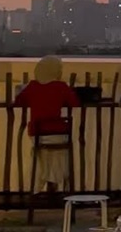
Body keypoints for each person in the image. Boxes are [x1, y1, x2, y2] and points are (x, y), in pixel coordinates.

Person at [14, 56, 79, 192]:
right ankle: (54, 184)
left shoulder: (32, 86)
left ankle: (39, 186)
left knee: (42, 157)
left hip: (38, 133)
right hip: (59, 134)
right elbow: (75, 102)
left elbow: (19, 101)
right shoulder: (61, 86)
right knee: (57, 157)